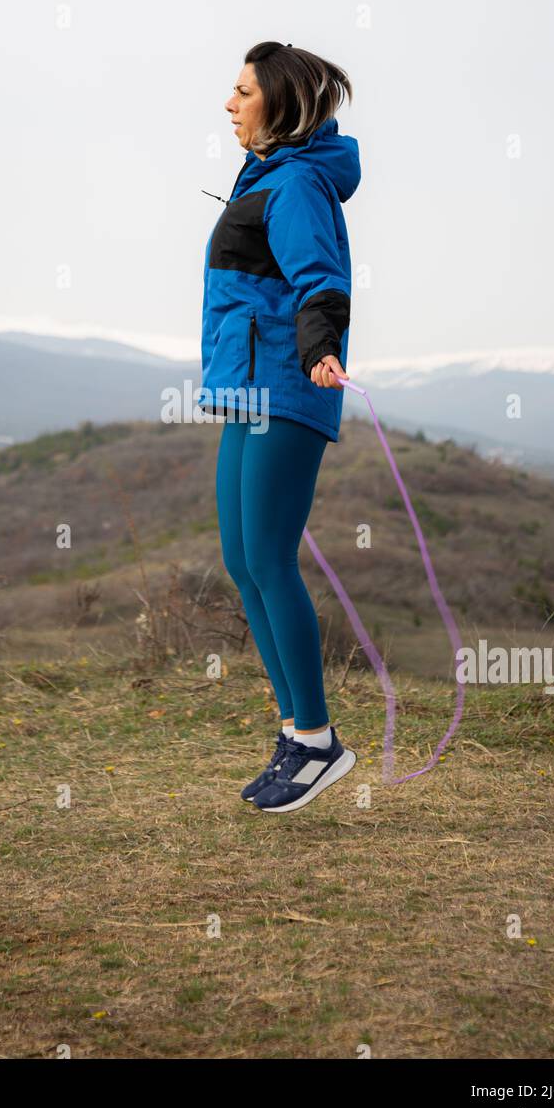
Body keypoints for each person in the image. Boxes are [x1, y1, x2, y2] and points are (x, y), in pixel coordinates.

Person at [198, 40, 362, 814]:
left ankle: (319, 742)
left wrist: (322, 349)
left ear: (282, 102)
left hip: (288, 385)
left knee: (269, 557)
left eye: (243, 91)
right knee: (243, 560)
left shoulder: (295, 184)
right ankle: (295, 733)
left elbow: (319, 278)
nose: (229, 104)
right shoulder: (266, 176)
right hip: (247, 387)